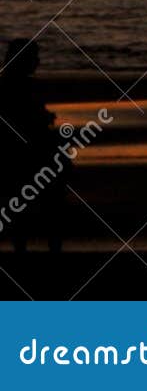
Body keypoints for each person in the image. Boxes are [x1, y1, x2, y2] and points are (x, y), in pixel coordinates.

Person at [0, 40, 65, 253]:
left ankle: (25, 246)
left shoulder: (11, 84)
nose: (38, 62)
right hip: (22, 153)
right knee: (52, 191)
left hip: (15, 151)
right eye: (34, 58)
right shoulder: (18, 87)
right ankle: (52, 247)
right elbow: (28, 121)